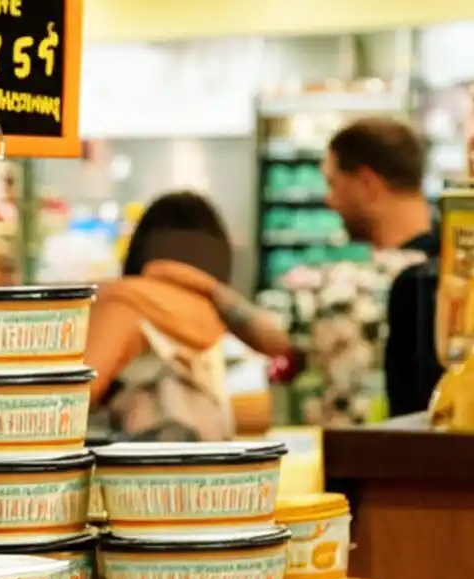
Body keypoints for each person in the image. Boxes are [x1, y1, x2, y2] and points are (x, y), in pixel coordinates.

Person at [86, 191, 292, 442]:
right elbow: (280, 344)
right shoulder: (213, 315)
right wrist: (211, 289)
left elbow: (78, 395)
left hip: (138, 472)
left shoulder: (125, 302)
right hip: (208, 470)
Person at [323, 118, 440, 417]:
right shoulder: (453, 270)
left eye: (332, 183)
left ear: (366, 184)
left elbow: (275, 336)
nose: (329, 200)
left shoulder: (359, 286)